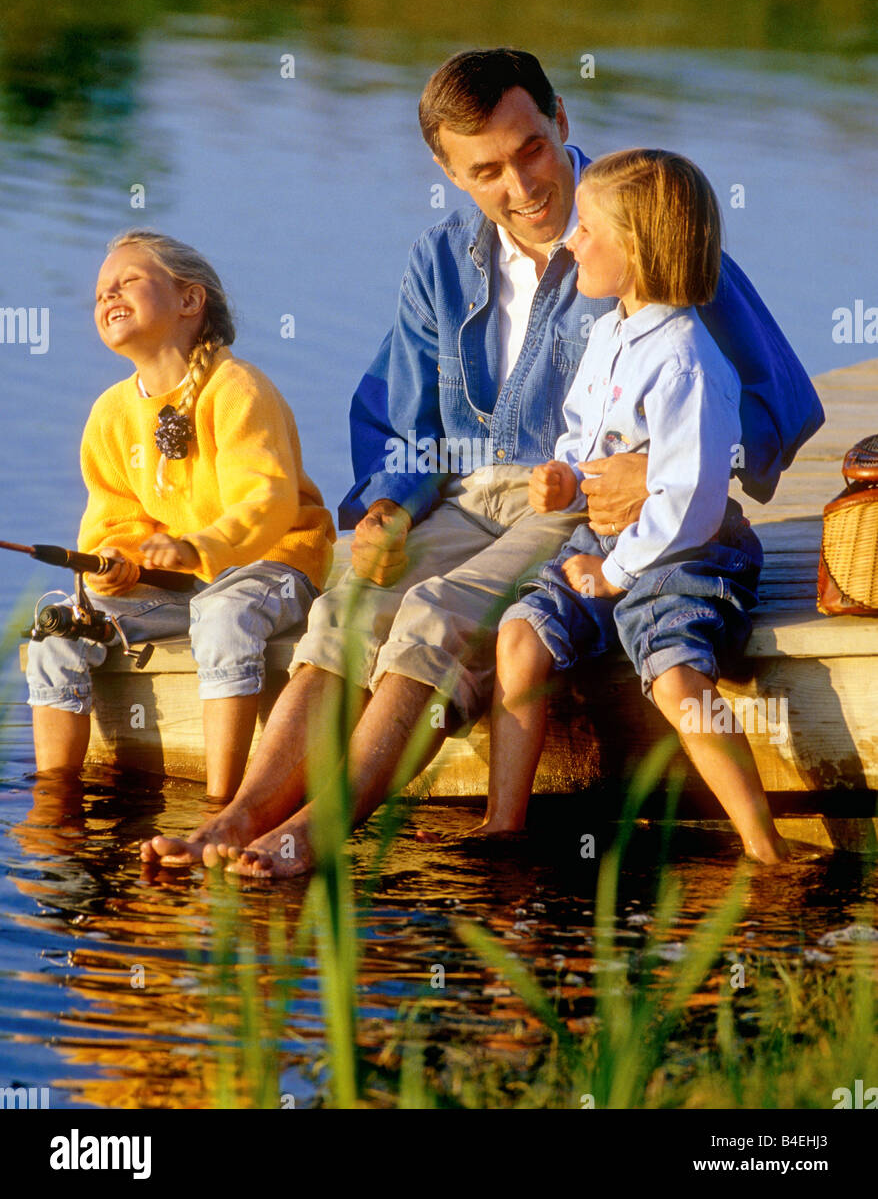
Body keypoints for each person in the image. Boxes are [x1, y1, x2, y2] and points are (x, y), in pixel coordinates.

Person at [141, 48, 821, 878]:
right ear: (448, 170)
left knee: (436, 612)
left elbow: (782, 403)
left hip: (578, 504)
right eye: (487, 170)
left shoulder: (637, 225)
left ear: (560, 120)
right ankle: (236, 818)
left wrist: (658, 467)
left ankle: (316, 835)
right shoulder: (439, 260)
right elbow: (405, 421)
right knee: (346, 607)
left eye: (530, 148)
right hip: (466, 497)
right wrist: (389, 504)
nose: (523, 186)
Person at [461, 149, 789, 863]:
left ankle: (763, 846)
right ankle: (502, 823)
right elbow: (588, 442)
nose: (571, 240)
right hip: (612, 543)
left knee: (674, 671)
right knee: (518, 635)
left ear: (635, 248)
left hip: (691, 552)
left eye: (586, 228)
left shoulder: (685, 360)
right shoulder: (610, 331)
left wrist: (617, 575)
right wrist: (565, 480)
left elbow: (693, 498)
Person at [27, 230, 335, 801]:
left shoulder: (236, 388)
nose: (107, 298)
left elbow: (267, 500)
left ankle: (224, 801)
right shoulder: (110, 414)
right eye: (99, 294)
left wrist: (200, 548)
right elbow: (114, 524)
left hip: (273, 562)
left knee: (222, 613)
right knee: (59, 632)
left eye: (127, 282)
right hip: (179, 585)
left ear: (190, 301)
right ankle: (55, 800)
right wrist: (115, 563)